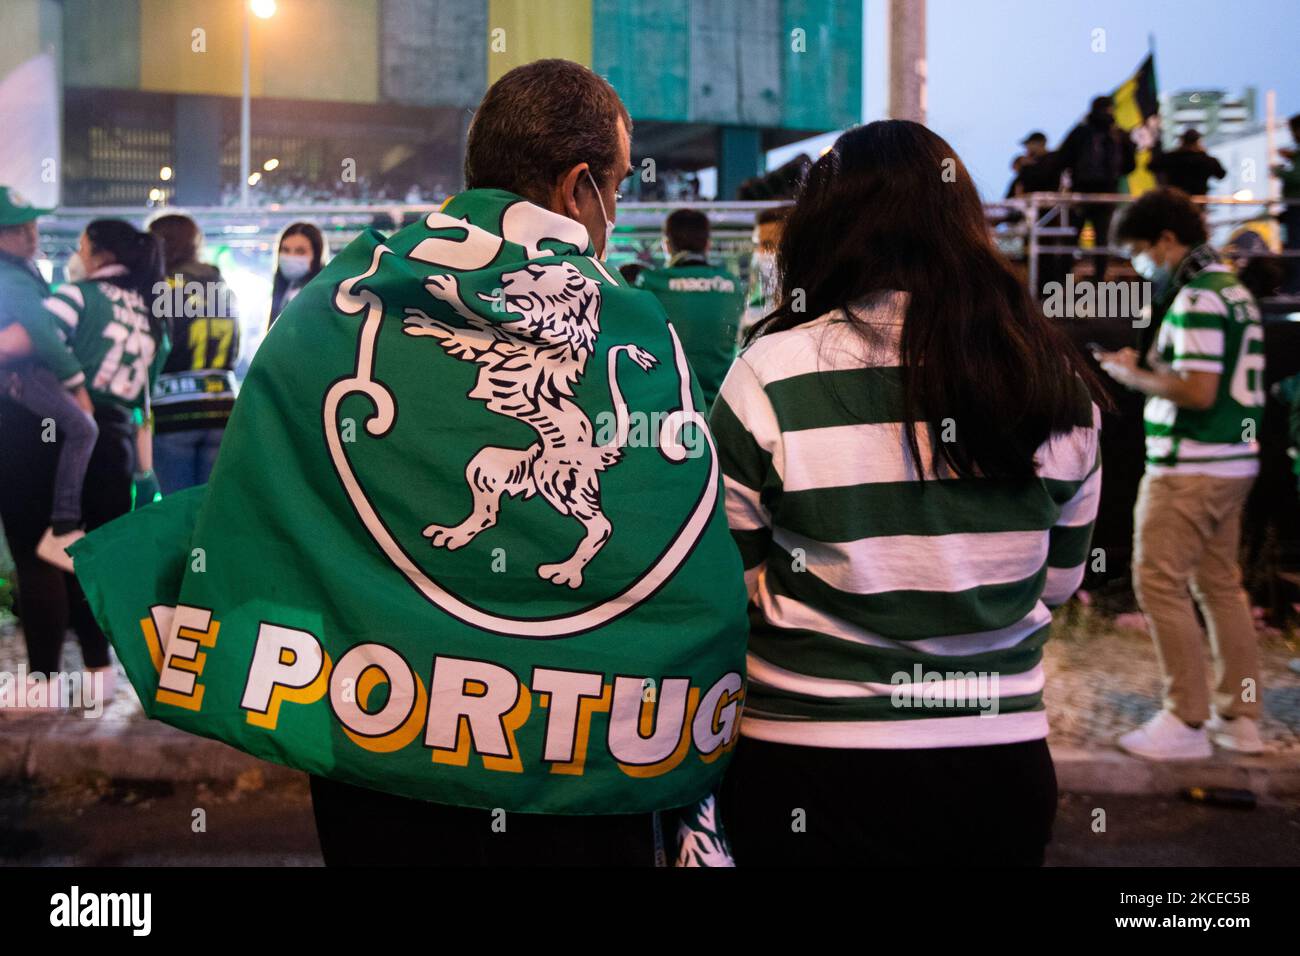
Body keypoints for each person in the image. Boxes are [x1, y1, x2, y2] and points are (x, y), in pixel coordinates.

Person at [296, 58, 747, 866]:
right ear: (580, 189)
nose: (612, 216)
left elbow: (275, 501)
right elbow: (680, 556)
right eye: (614, 186)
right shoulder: (632, 320)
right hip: (570, 766)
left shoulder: (334, 304)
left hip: (373, 751)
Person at [711, 120, 1103, 866]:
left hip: (809, 756)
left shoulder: (770, 371)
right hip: (998, 761)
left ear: (822, 225)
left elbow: (737, 582)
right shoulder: (1056, 378)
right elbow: (1055, 583)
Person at [1096, 188, 1266, 759]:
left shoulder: (1198, 297)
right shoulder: (1235, 292)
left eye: (1141, 252)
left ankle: (1185, 720)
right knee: (1221, 587)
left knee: (1158, 585)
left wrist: (1133, 376)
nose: (1141, 266)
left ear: (1167, 240)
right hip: (1233, 464)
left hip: (1189, 468)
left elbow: (1196, 390)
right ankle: (1240, 720)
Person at [0, 219, 167, 707]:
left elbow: (27, 338)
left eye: (80, 245)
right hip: (113, 444)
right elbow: (144, 397)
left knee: (38, 559)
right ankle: (98, 675)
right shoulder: (149, 313)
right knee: (88, 561)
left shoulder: (77, 296)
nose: (76, 253)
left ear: (96, 252)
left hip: (52, 437)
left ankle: (44, 686)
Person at [0, 187, 99, 572]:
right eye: (17, 228)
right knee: (84, 428)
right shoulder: (12, 277)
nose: (30, 235)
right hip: (22, 384)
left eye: (32, 225)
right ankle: (63, 523)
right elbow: (42, 333)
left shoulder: (21, 271)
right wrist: (76, 385)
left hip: (25, 398)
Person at [147, 214, 241, 492]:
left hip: (173, 410)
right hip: (222, 406)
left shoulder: (161, 288)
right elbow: (235, 351)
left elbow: (153, 349)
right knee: (212, 509)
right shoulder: (223, 287)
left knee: (178, 512)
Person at [634, 208, 744, 408]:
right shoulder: (732, 285)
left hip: (666, 412)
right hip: (719, 412)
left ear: (667, 245)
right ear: (707, 244)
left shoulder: (650, 283)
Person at [1057, 95, 1137, 281]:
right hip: (1107, 194)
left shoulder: (1081, 131)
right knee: (1101, 241)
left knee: (1071, 239)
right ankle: (1098, 280)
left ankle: (1062, 281)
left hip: (1081, 193)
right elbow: (1129, 166)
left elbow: (1063, 158)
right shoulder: (1118, 134)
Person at [738, 205, 788, 341]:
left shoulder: (807, 306)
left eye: (768, 245)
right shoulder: (755, 306)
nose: (760, 253)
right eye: (757, 245)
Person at [267, 221, 325, 328]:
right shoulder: (285, 291)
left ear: (316, 256)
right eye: (285, 250)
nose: (291, 256)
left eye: (300, 251)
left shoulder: (323, 297)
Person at [1148, 129, 1226, 196]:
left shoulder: (1170, 157)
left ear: (1182, 141)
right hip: (1198, 199)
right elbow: (1221, 174)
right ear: (1198, 142)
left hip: (1174, 197)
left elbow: (1151, 166)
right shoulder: (1206, 160)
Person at [1273, 113, 1300, 294]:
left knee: (1294, 249)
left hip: (1296, 208)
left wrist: (1279, 172)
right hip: (1293, 208)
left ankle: (1292, 288)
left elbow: (1297, 177)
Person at [1007, 131, 1062, 197]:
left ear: (1042, 143)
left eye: (1031, 144)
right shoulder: (1029, 165)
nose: (1027, 148)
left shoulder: (1054, 158)